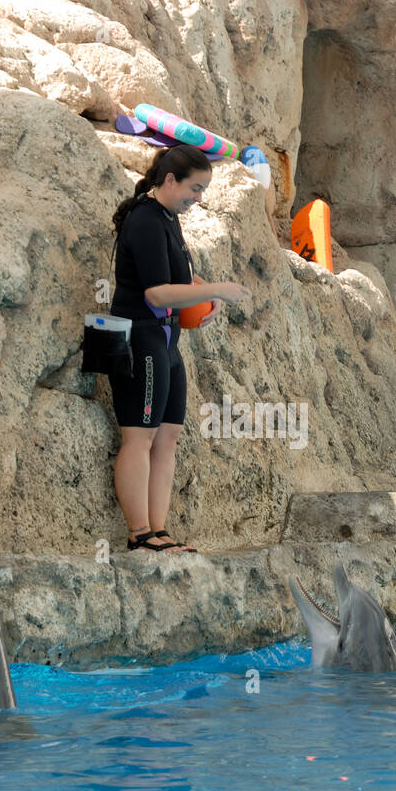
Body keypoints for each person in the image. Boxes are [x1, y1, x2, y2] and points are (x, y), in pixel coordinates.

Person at [108, 146, 251, 552]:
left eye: (204, 190)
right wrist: (216, 289)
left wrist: (209, 294)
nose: (199, 197)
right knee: (140, 437)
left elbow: (180, 278)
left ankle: (159, 528)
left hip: (167, 340)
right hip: (142, 336)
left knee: (167, 436)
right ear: (170, 180)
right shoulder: (146, 220)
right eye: (195, 188)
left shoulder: (169, 218)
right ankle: (139, 534)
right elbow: (155, 293)